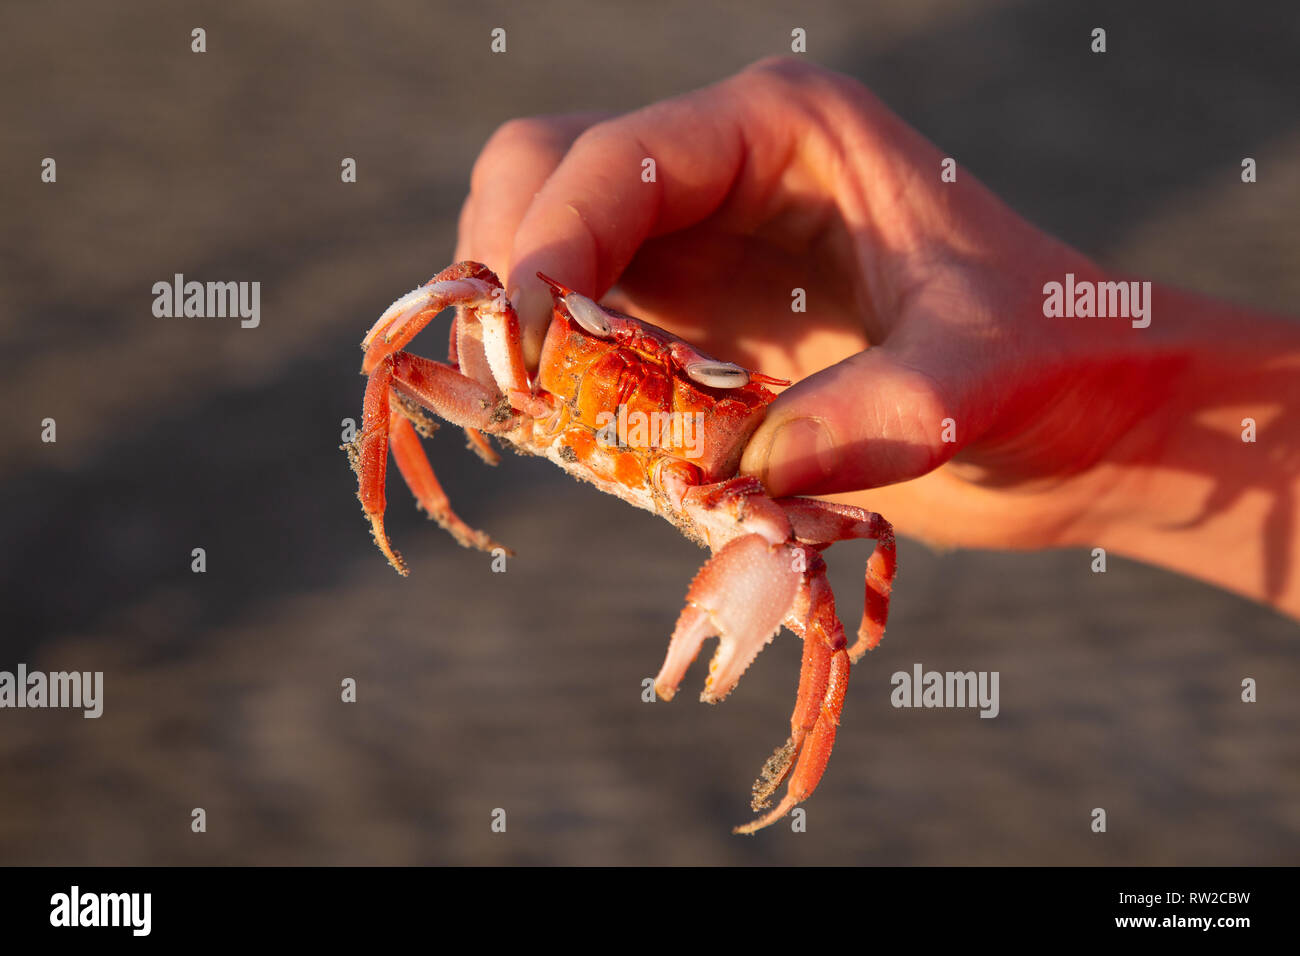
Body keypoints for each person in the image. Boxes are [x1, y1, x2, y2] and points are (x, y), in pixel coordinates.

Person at [452, 57, 1300, 621]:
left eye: (693, 374)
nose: (650, 379)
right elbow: (431, 316)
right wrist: (1115, 438)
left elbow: (859, 545)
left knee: (820, 595)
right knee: (477, 290)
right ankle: (409, 506)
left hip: (707, 467)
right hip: (555, 394)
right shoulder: (543, 358)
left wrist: (1114, 432)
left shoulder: (748, 474)